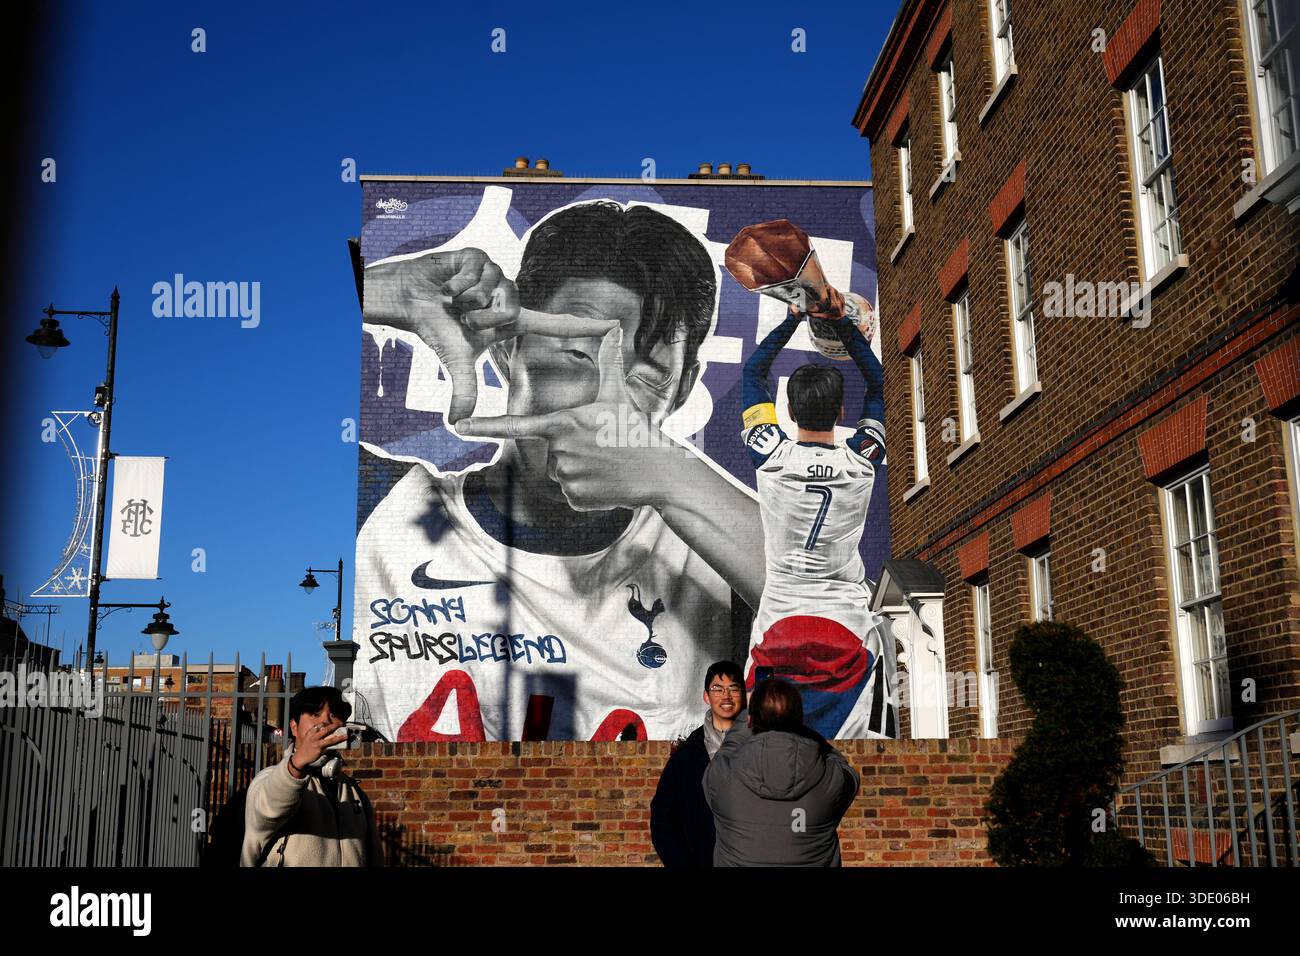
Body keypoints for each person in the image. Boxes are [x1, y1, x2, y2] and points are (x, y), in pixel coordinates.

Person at [356, 200, 765, 742]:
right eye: (577, 357)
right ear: (506, 350)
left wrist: (670, 474)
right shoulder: (386, 510)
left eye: (645, 378)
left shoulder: (717, 565)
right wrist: (381, 289)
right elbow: (232, 401)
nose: (599, 407)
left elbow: (835, 610)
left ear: (684, 386)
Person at [739, 303, 896, 739]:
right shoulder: (862, 460)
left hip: (780, 618)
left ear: (787, 411)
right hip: (845, 621)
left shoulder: (771, 455)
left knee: (766, 741)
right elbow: (880, 384)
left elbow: (753, 374)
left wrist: (794, 317)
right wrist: (845, 326)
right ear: (843, 413)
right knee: (847, 751)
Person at [703, 677, 859, 866]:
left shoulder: (721, 778)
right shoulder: (831, 780)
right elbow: (842, 766)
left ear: (752, 720)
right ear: (798, 719)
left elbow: (727, 749)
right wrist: (800, 728)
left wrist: (745, 716)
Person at [241, 686, 382, 867]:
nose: (324, 721)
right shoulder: (270, 778)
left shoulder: (354, 791)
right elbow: (269, 809)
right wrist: (297, 763)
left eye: (333, 715)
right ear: (294, 727)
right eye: (315, 714)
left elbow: (374, 855)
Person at [649, 660, 746, 868]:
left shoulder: (763, 745)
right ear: (706, 696)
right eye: (717, 689)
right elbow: (663, 820)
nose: (726, 696)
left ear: (743, 695)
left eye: (733, 689)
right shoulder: (686, 757)